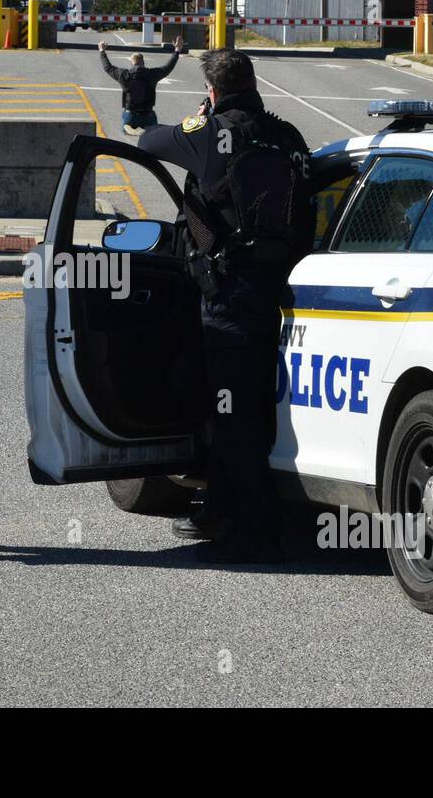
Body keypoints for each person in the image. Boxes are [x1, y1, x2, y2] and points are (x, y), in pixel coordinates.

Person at [139, 49, 313, 564]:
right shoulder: (288, 136)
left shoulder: (206, 134)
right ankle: (218, 506)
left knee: (233, 413)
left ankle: (252, 529)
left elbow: (147, 140)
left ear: (212, 93)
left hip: (229, 295)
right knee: (256, 406)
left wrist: (198, 116)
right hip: (290, 291)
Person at [99, 34, 183, 133]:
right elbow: (168, 67)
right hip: (148, 114)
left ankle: (128, 127)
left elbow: (108, 67)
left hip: (131, 114)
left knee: (126, 122)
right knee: (153, 133)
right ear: (143, 62)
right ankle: (150, 131)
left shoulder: (124, 75)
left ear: (131, 63)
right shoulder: (152, 74)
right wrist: (177, 50)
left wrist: (102, 51)